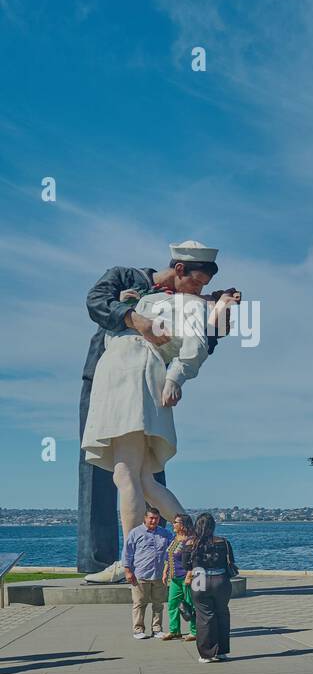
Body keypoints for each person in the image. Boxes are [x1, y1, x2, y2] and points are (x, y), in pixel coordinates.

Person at [81, 241, 240, 584]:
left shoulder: (188, 303)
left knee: (125, 475)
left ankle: (131, 562)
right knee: (142, 480)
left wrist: (175, 377)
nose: (201, 290)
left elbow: (199, 345)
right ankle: (198, 543)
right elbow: (97, 303)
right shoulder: (143, 292)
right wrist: (130, 307)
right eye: (197, 282)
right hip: (119, 375)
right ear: (179, 270)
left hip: (133, 376)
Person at [184, 512, 238, 663]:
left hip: (199, 578)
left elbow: (185, 565)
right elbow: (231, 561)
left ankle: (206, 653)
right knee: (222, 614)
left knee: (204, 617)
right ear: (213, 526)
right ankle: (221, 651)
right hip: (220, 579)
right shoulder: (223, 542)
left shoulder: (190, 544)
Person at [123, 506, 173, 639]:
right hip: (141, 575)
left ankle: (157, 629)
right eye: (151, 518)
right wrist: (128, 571)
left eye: (156, 518)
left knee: (158, 603)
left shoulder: (165, 533)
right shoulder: (135, 533)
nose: (153, 521)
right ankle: (138, 630)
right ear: (145, 518)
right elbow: (127, 553)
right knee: (139, 603)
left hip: (159, 575)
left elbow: (173, 550)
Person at [161, 513, 197, 641]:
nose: (173, 524)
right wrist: (165, 571)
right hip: (174, 578)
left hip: (185, 577)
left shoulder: (190, 540)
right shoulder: (175, 538)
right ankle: (174, 630)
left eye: (176, 522)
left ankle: (194, 631)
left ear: (183, 525)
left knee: (189, 604)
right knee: (172, 604)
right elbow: (169, 556)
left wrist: (189, 575)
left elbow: (193, 560)